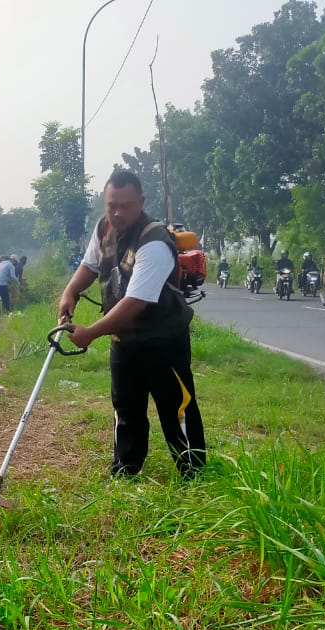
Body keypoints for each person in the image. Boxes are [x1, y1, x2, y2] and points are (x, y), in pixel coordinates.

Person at [57, 168, 205, 480]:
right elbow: (90, 265)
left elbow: (136, 301)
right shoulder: (104, 230)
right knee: (125, 407)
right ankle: (125, 470)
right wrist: (70, 291)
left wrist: (91, 333)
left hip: (163, 340)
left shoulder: (154, 240)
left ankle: (194, 472)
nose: (118, 212)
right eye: (111, 204)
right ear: (104, 202)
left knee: (176, 408)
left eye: (126, 205)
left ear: (141, 202)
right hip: (124, 340)